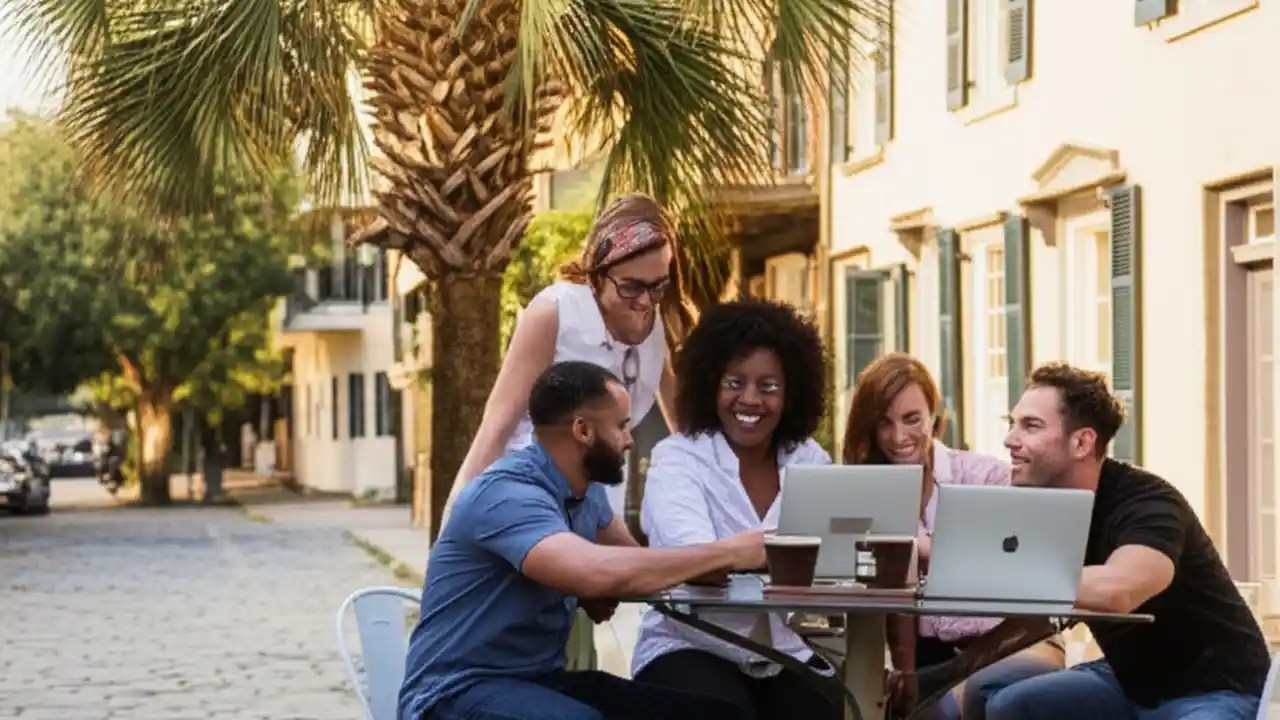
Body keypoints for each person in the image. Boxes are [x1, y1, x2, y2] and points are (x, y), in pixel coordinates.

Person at [399, 361, 763, 720]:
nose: (629, 440)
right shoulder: (506, 495)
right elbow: (593, 571)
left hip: (538, 682)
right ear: (583, 430)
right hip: (453, 694)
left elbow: (633, 564)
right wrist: (729, 552)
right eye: (621, 426)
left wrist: (729, 567)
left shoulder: (587, 494)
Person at [440, 193, 692, 673]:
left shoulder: (656, 320)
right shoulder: (555, 311)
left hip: (596, 499)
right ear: (598, 274)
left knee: (590, 646)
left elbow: (685, 430)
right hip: (528, 498)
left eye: (657, 286)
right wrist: (452, 529)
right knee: (545, 641)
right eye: (631, 287)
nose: (644, 302)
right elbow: (497, 423)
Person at [984, 362, 1269, 719]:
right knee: (1007, 706)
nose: (1010, 439)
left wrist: (999, 569)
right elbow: (1032, 615)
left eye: (1030, 426)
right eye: (1012, 424)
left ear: (1082, 442)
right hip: (1130, 680)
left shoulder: (1149, 502)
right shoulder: (1048, 507)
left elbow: (1116, 591)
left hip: (1214, 688)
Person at [631, 300, 844, 720]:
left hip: (784, 649)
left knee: (825, 706)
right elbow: (689, 559)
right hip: (691, 643)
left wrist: (749, 555)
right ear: (711, 384)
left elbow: (835, 557)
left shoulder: (809, 460)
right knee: (720, 711)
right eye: (734, 383)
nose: (750, 399)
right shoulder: (678, 457)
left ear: (791, 393)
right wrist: (767, 555)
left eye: (768, 386)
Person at [843, 353, 1064, 719]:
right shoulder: (871, 491)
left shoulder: (988, 478)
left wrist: (926, 550)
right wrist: (906, 668)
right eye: (884, 423)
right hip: (926, 652)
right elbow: (893, 595)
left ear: (933, 416)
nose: (899, 437)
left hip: (1012, 640)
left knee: (977, 695)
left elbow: (1030, 580)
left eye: (912, 419)